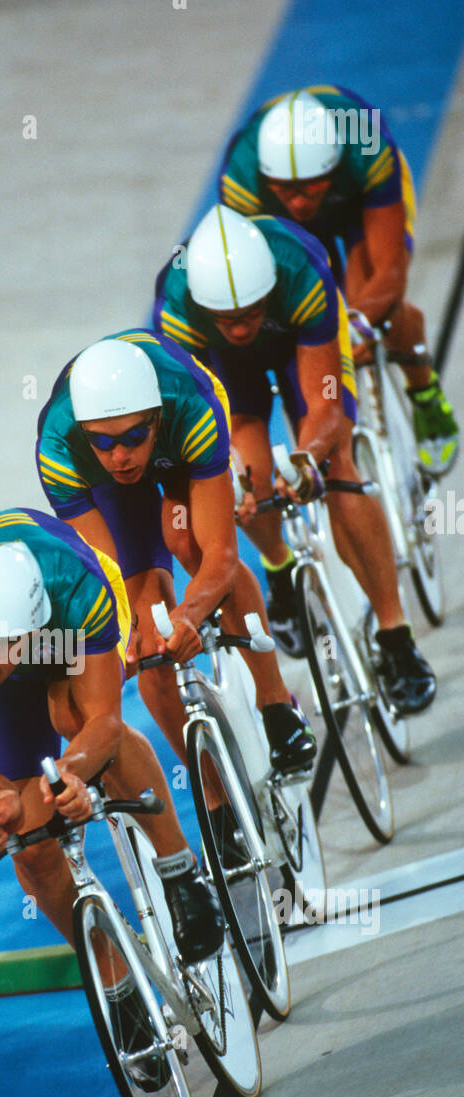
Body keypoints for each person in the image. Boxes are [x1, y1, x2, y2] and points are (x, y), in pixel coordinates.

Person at [0, 508, 227, 1082]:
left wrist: (75, 772)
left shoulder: (79, 595)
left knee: (77, 715)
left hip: (69, 623)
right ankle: (115, 984)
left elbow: (103, 723)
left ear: (26, 631)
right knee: (28, 842)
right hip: (26, 632)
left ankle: (180, 871)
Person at [151, 204, 436, 714]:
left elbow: (326, 403)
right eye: (227, 319)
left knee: (337, 466)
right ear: (202, 305)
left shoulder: (300, 269)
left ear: (268, 291)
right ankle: (279, 567)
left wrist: (308, 457)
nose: (240, 328)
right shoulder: (176, 306)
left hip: (299, 344)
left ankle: (396, 636)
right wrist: (232, 470)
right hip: (225, 374)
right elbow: (204, 418)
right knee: (248, 479)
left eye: (250, 314)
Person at [36, 331, 317, 775]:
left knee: (189, 542)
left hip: (181, 448)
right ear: (84, 434)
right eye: (103, 442)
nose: (121, 456)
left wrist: (191, 613)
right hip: (112, 490)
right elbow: (103, 577)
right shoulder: (59, 447)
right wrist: (118, 634)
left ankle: (276, 702)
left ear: (155, 418)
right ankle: (214, 798)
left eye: (132, 436)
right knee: (145, 628)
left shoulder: (189, 408)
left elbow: (221, 556)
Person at [218, 86, 458, 475]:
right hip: (277, 226)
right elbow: (262, 286)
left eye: (309, 187)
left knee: (378, 301)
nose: (298, 202)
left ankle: (424, 390)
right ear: (267, 178)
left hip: (356, 202)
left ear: (332, 166)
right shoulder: (242, 183)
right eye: (287, 190)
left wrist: (354, 323)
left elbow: (390, 274)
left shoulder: (366, 148)